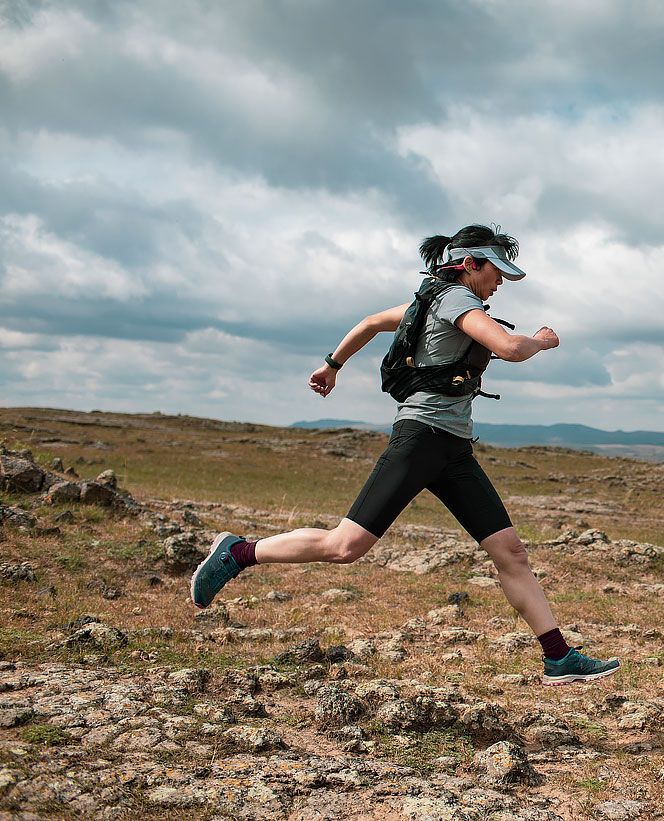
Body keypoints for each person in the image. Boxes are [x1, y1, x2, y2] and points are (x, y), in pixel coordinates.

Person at [190, 224, 620, 686]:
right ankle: (238, 552)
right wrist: (543, 340)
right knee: (345, 546)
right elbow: (511, 348)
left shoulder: (428, 300)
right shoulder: (456, 300)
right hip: (421, 438)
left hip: (452, 446)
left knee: (510, 552)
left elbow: (372, 322)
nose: (500, 283)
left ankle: (557, 656)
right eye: (497, 272)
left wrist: (332, 366)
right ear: (470, 264)